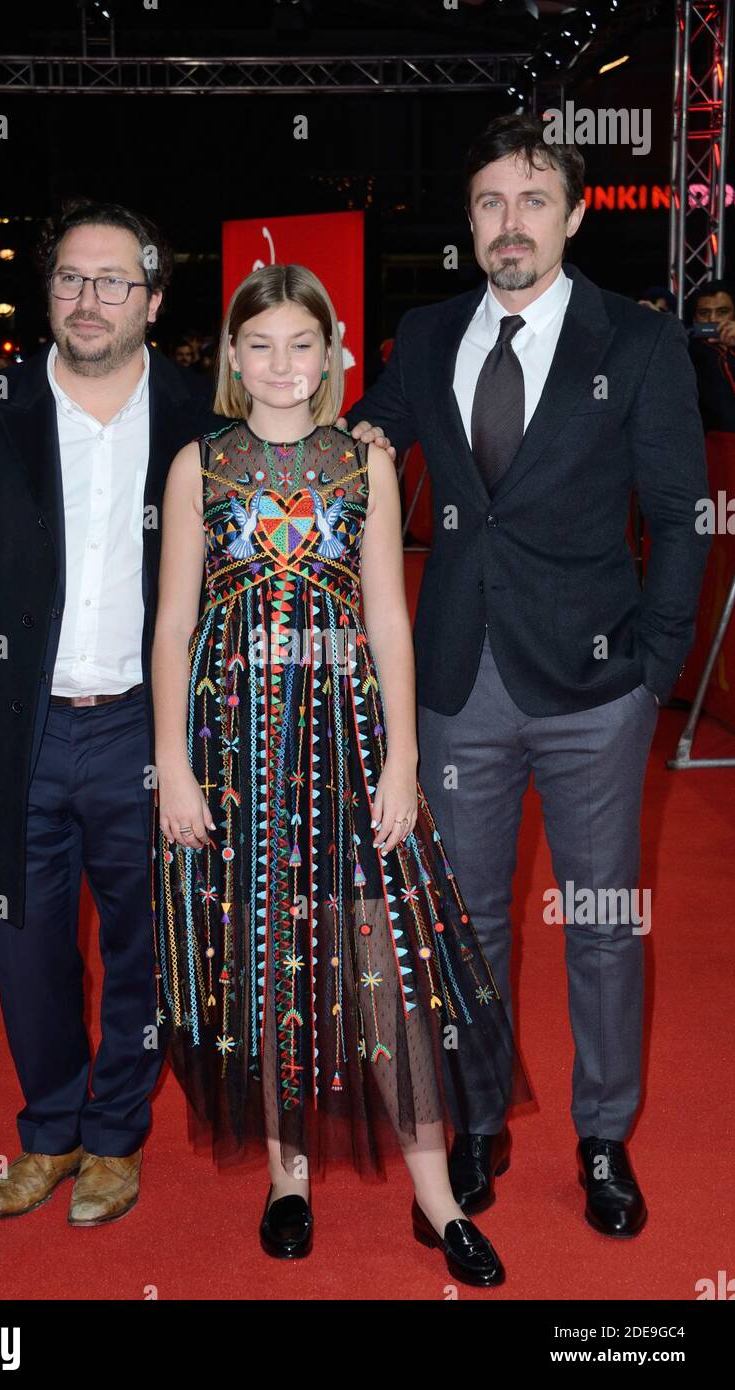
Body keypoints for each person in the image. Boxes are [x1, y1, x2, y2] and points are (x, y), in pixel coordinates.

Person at [341, 113, 711, 1238]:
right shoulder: (424, 331)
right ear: (469, 222)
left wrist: (652, 670)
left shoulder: (638, 343)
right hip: (457, 683)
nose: (510, 223)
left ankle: (602, 1135)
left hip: (597, 690)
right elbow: (362, 431)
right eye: (490, 203)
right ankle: (477, 1119)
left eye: (532, 201)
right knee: (468, 926)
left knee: (600, 919)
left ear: (574, 214)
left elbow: (678, 521)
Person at [151, 262, 532, 1287]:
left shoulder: (362, 467)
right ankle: (287, 1176)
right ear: (232, 355)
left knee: (385, 959)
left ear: (332, 356)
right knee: (264, 958)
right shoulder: (197, 466)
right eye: (260, 345)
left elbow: (389, 620)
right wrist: (172, 766)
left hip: (349, 741)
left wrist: (403, 758)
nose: (281, 365)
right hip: (233, 751)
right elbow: (174, 622)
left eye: (300, 345)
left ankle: (435, 1194)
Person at [0, 199, 222, 1228]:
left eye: (114, 280)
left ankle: (114, 1137)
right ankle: (48, 1131)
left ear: (153, 300)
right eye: (72, 277)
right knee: (20, 942)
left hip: (146, 732)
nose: (89, 298)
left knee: (146, 949)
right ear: (48, 291)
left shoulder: (204, 419)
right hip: (10, 732)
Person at [686, 279, 735, 433]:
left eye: (722, 312)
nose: (713, 319)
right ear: (695, 320)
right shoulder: (687, 351)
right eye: (704, 313)